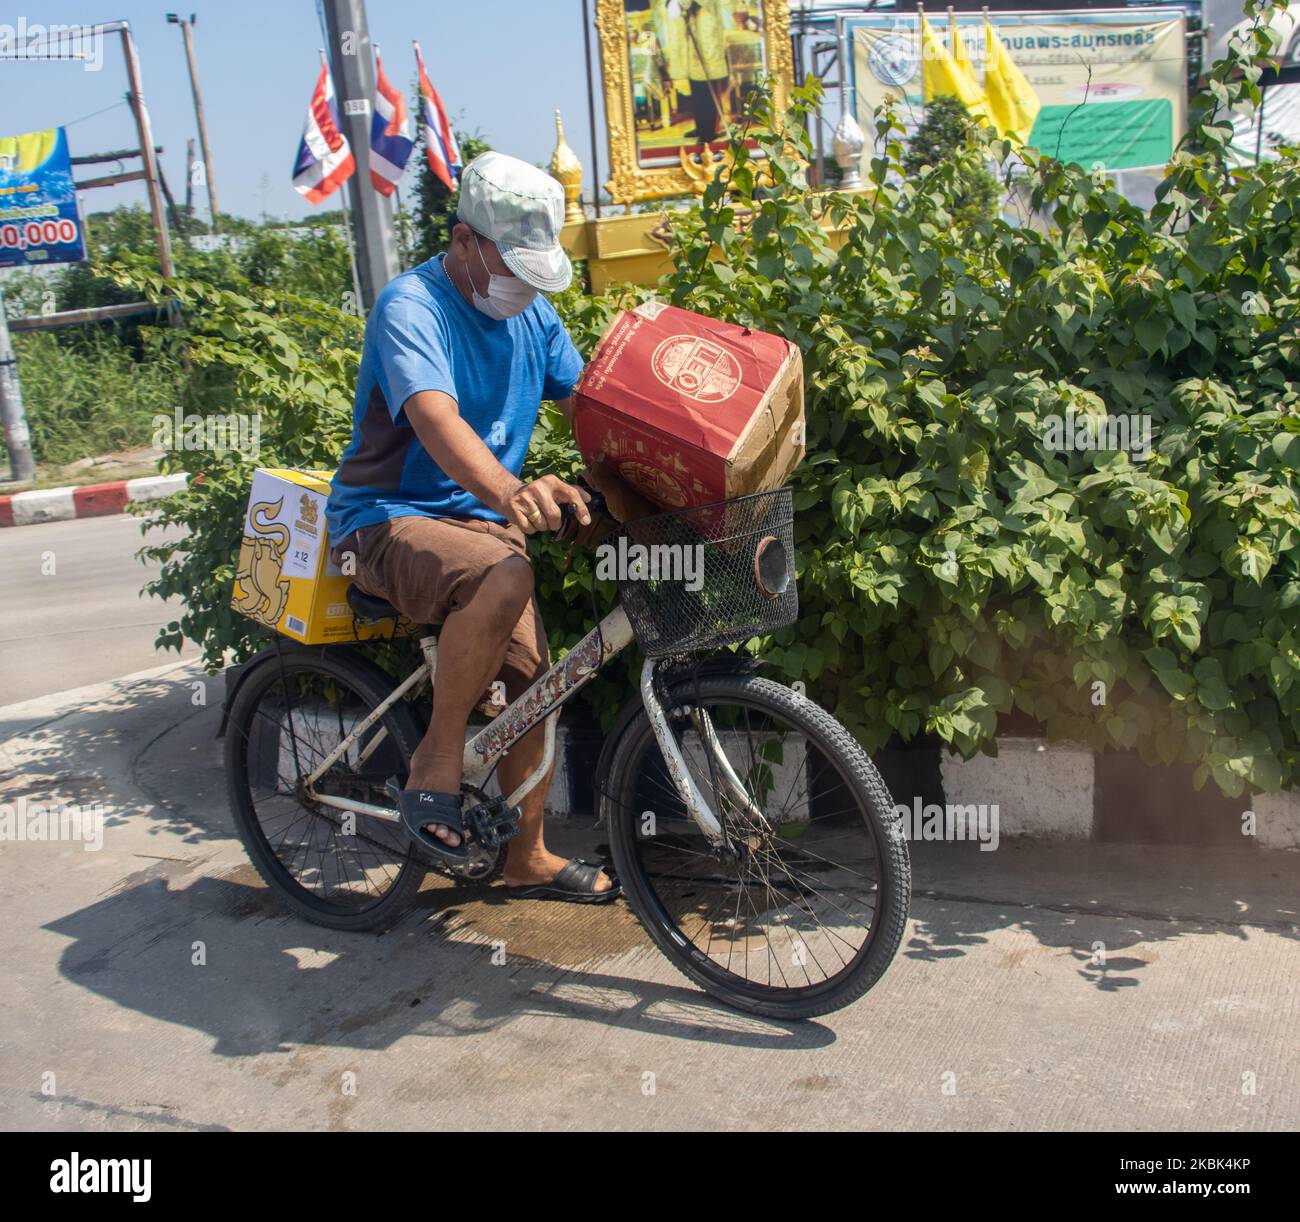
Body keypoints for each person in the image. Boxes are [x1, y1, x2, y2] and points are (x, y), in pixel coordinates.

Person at [325, 151, 638, 903]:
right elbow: (435, 419)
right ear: (464, 241)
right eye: (513, 266)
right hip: (385, 520)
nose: (525, 287)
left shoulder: (531, 312)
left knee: (537, 686)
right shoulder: (413, 307)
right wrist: (510, 489)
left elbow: (587, 407)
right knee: (507, 572)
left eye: (537, 271)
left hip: (483, 529)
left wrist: (657, 470)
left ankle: (525, 856)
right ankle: (435, 758)